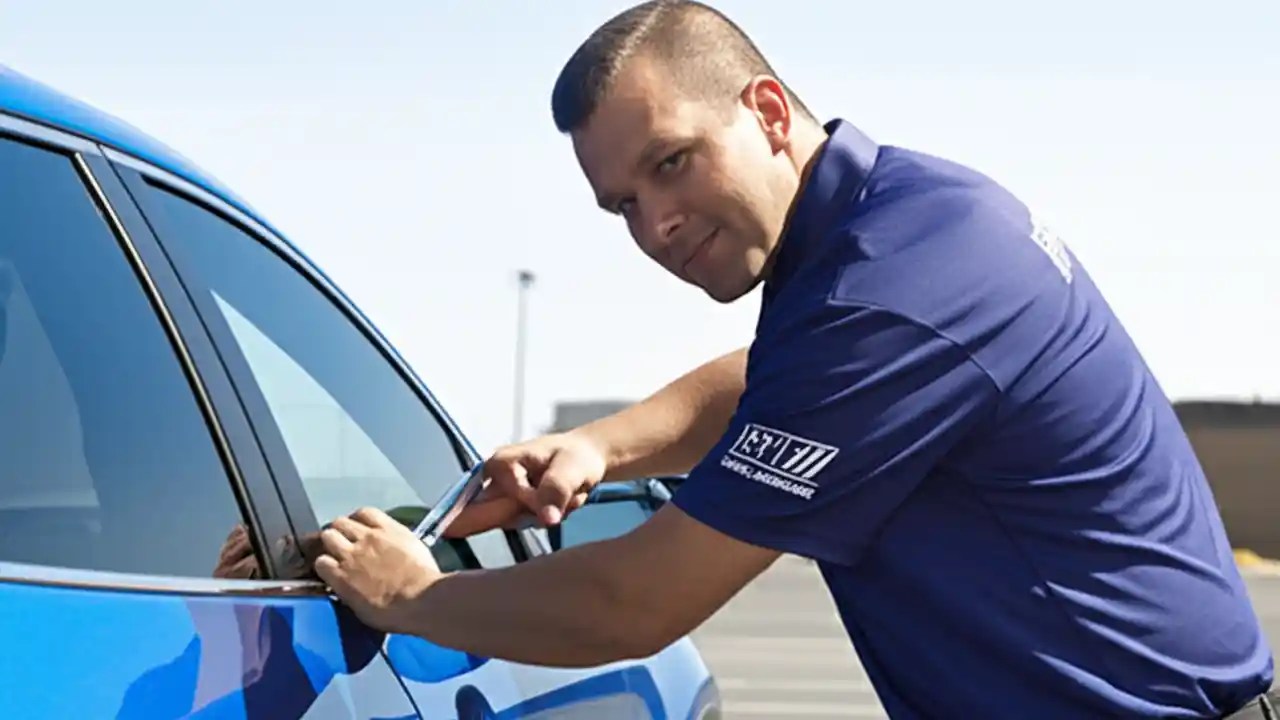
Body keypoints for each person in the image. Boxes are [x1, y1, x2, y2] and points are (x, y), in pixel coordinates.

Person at [313, 1, 1277, 717]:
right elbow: (779, 378)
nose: (656, 225)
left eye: (671, 162)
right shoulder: (895, 223)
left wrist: (415, 597)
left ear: (768, 111)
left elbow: (631, 603)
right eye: (623, 206)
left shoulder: (890, 295)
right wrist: (604, 445)